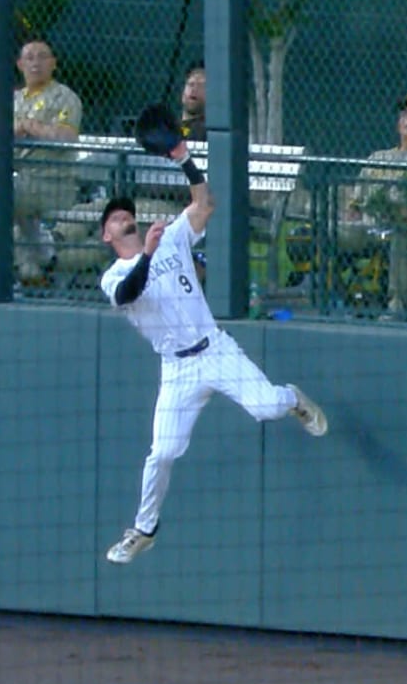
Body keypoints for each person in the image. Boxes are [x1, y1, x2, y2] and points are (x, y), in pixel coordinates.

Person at [98, 142, 328, 565]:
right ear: (106, 235)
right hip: (177, 370)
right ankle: (144, 529)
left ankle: (293, 397)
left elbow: (204, 202)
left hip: (216, 349)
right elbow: (130, 292)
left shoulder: (169, 238)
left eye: (127, 212)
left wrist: (182, 157)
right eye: (114, 218)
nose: (124, 217)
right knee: (161, 453)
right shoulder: (113, 276)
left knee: (267, 407)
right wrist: (147, 253)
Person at [0, 39, 81, 283]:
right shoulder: (13, 99)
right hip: (16, 181)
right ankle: (28, 266)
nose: (35, 63)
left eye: (42, 57)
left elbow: (66, 137)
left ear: (53, 63)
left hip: (52, 183)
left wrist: (30, 127)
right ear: (19, 64)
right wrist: (14, 129)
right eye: (29, 58)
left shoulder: (65, 97)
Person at [339, 91, 407, 316]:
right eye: (405, 113)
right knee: (331, 230)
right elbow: (356, 200)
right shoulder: (379, 156)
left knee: (401, 238)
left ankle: (395, 306)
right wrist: (352, 210)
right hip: (370, 226)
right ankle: (332, 295)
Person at [178, 60, 206, 142]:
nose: (194, 89)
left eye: (202, 85)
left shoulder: (206, 131)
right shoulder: (169, 126)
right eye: (191, 84)